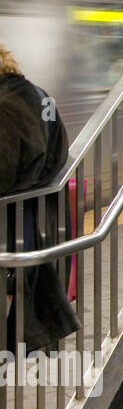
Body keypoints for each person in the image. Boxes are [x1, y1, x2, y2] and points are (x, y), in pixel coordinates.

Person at [1, 43, 79, 351]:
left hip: (11, 224)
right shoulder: (37, 94)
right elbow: (58, 151)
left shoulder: (7, 104)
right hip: (30, 217)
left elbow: (5, 169)